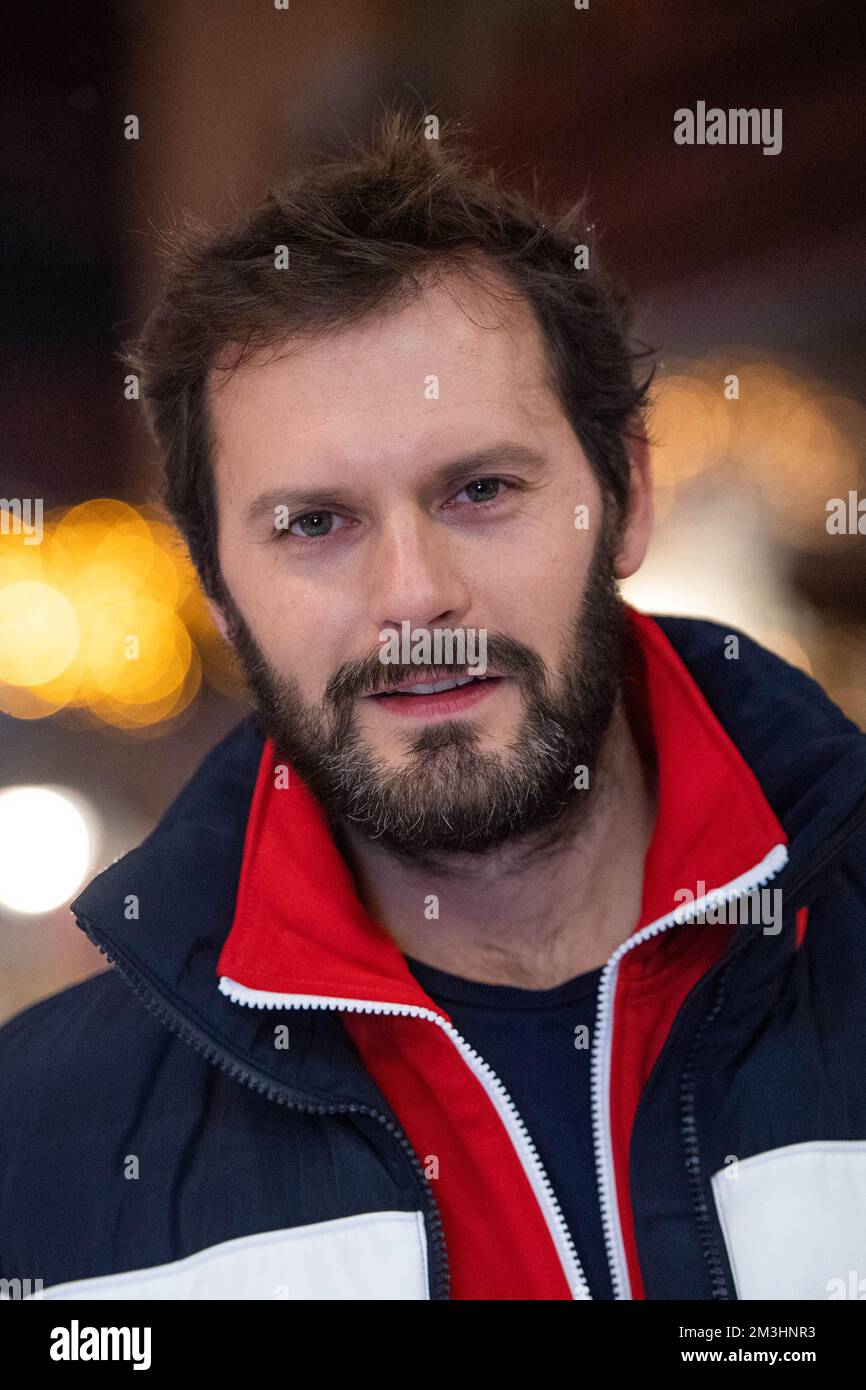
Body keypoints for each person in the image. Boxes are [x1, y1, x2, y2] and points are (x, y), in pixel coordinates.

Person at [2, 110, 865, 1302]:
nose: (412, 596)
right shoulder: (37, 1149)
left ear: (624, 498)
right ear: (214, 584)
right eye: (314, 523)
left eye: (479, 490)